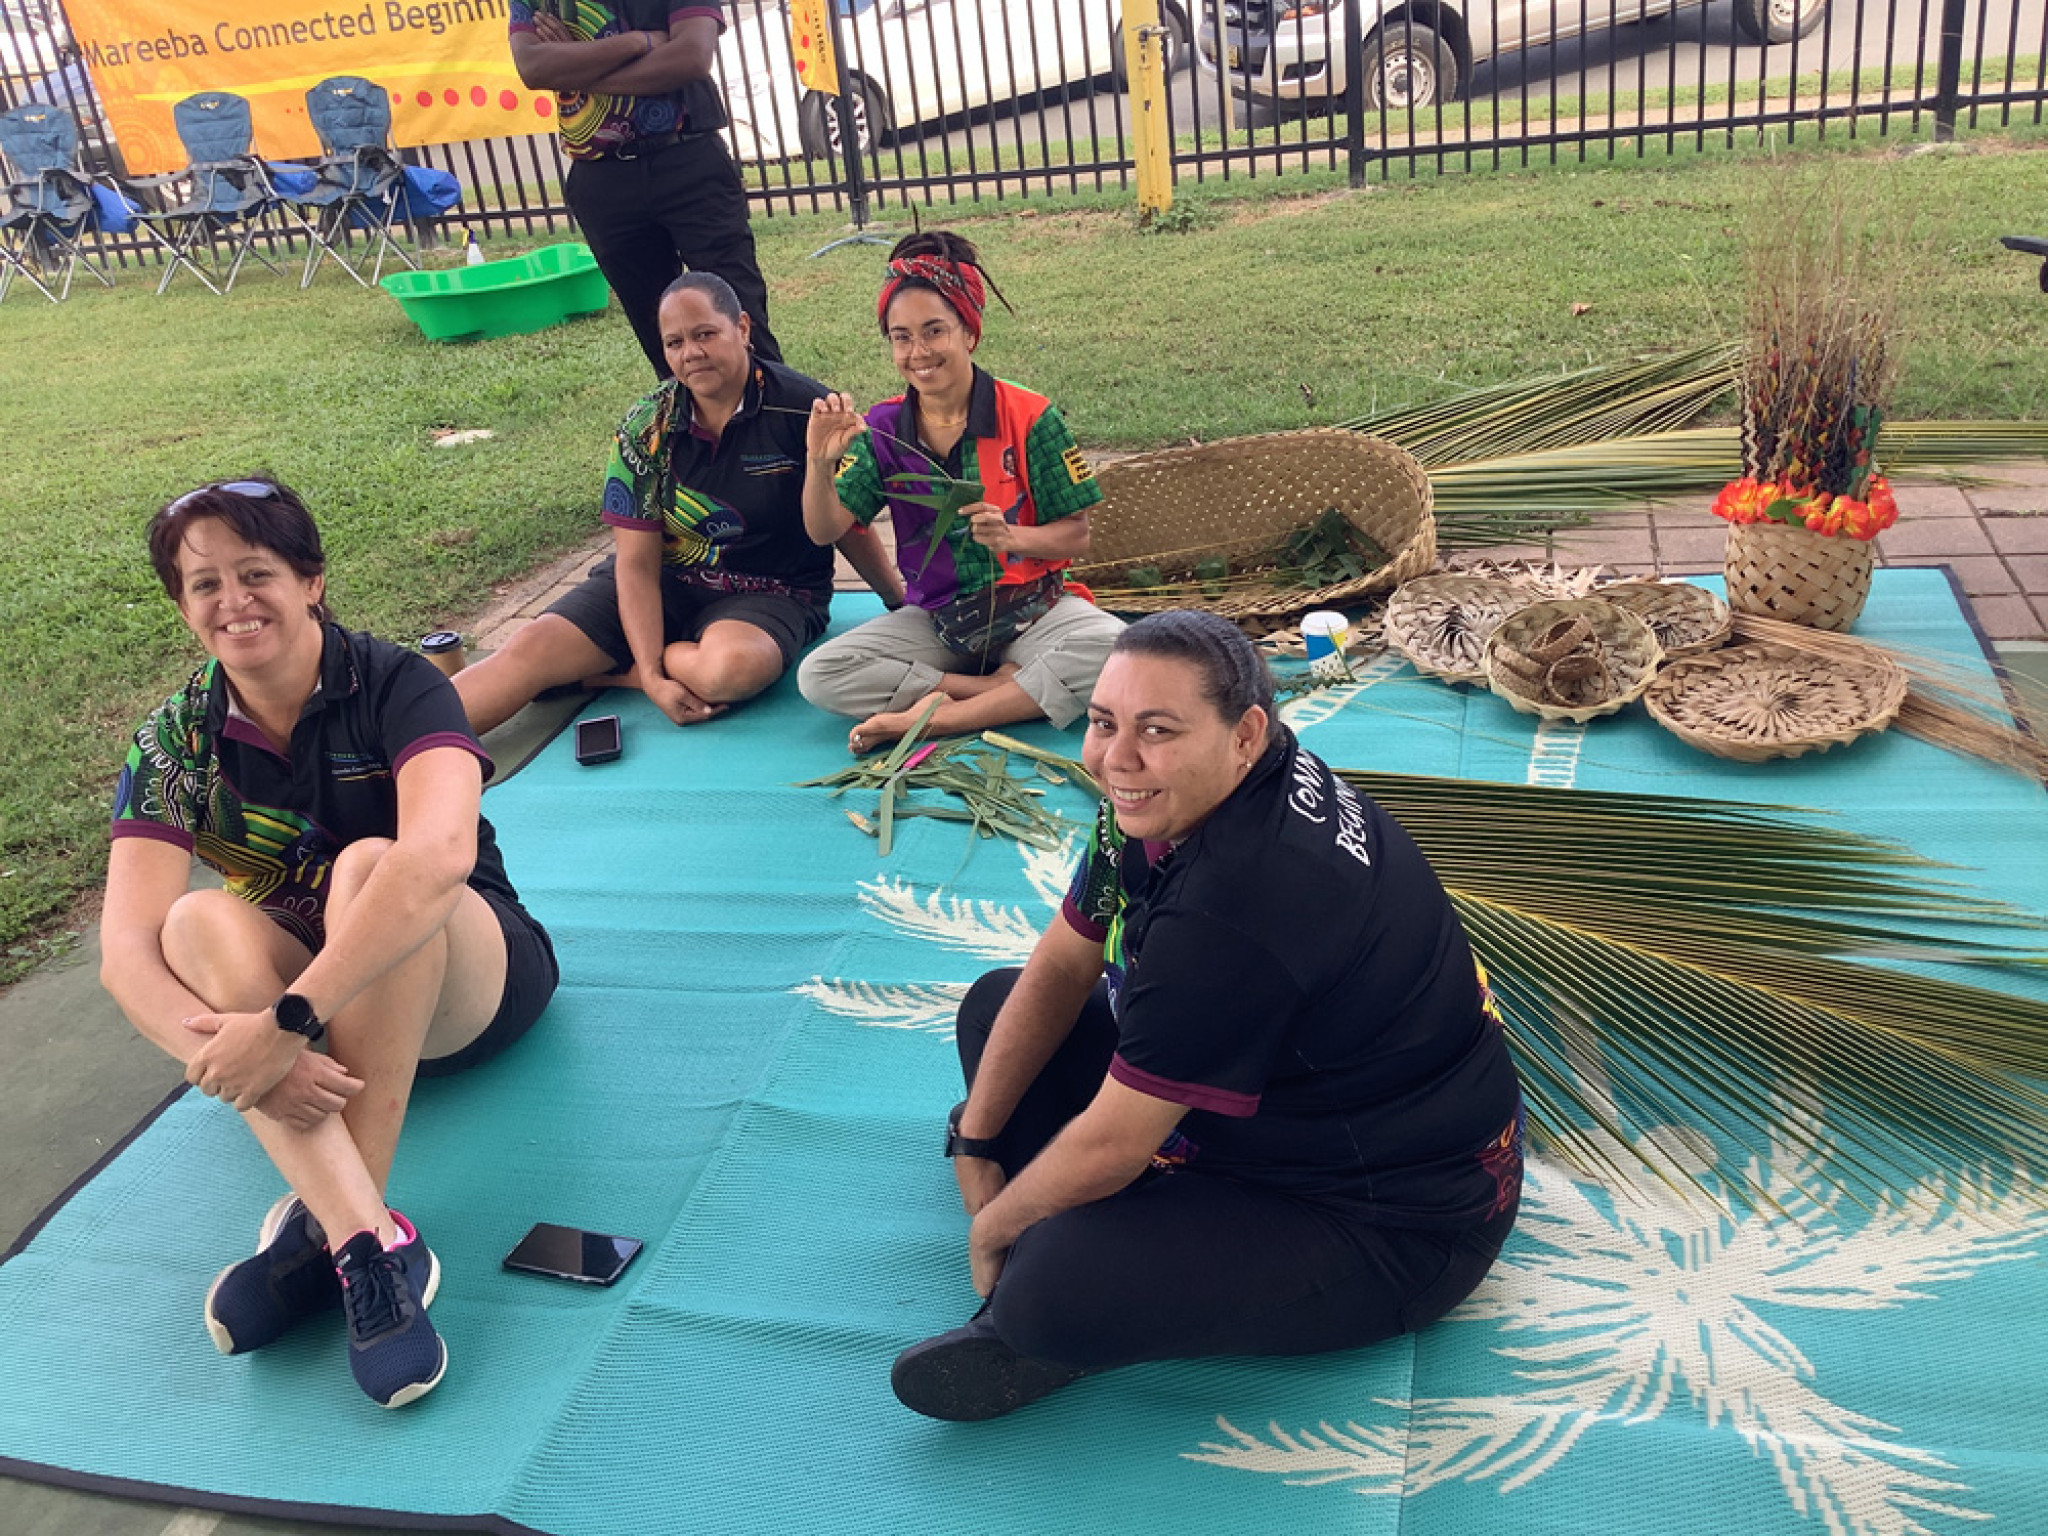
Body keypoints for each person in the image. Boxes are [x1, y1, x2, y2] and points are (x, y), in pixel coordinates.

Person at [890, 611, 1525, 1421]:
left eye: (1157, 730)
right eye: (1104, 722)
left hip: (1389, 1217)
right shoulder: (1179, 793)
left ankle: (1076, 1299)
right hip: (1275, 1106)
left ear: (1245, 732)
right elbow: (1064, 960)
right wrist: (976, 1138)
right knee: (996, 1009)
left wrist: (993, 1230)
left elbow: (1116, 1143)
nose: (1117, 758)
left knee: (1047, 1288)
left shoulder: (1237, 909)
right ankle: (1126, 1216)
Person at [100, 479, 558, 1410]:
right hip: (303, 1022)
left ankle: (322, 1230)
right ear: (182, 607)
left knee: (375, 868)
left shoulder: (397, 683)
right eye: (204, 584)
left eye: (256, 573)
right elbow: (126, 952)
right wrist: (234, 1057)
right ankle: (367, 1243)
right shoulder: (176, 739)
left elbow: (439, 860)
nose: (233, 601)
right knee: (191, 921)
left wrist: (282, 1025)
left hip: (468, 982)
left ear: (311, 581)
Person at [456, 273, 900, 734]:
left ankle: (614, 669)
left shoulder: (805, 408)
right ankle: (412, 742)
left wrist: (896, 600)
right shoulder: (648, 425)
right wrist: (651, 679)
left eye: (705, 334)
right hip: (665, 581)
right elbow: (635, 563)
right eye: (675, 342)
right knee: (531, 647)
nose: (691, 353)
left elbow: (847, 523)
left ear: (742, 328)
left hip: (771, 592)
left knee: (729, 670)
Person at [798, 230, 1125, 755]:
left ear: (969, 333)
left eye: (934, 331)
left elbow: (1076, 536)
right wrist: (818, 462)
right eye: (901, 337)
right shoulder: (883, 427)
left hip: (1033, 613)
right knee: (821, 673)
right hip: (939, 623)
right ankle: (996, 692)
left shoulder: (1030, 416)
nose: (918, 352)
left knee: (1117, 650)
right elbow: (823, 531)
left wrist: (1012, 536)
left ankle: (939, 717)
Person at [508, 0, 781, 376]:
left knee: (739, 319)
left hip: (688, 162)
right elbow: (533, 67)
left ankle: (771, 409)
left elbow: (690, 57)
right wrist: (641, 42)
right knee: (661, 336)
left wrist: (578, 66)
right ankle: (687, 415)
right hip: (601, 178)